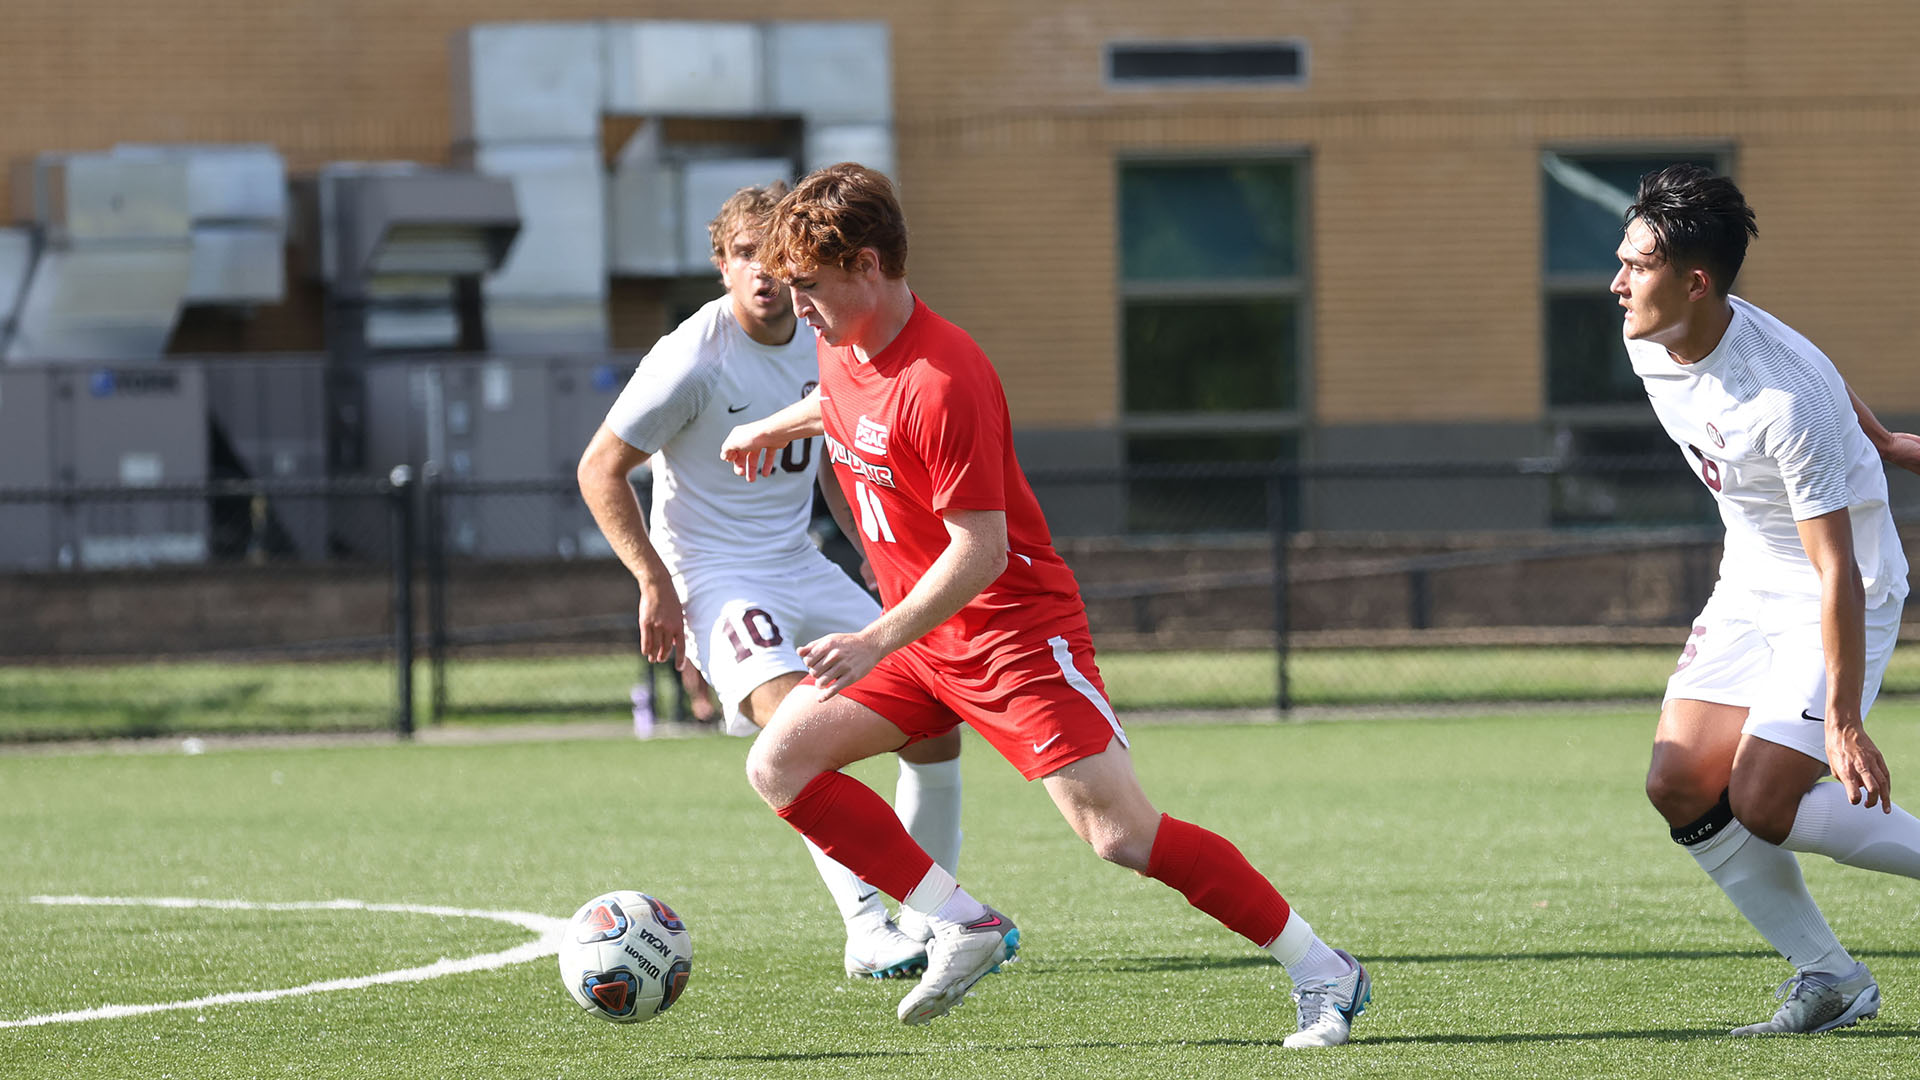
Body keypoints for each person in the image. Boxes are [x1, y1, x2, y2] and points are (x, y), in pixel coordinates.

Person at [721, 163, 1369, 1046]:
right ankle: (964, 922)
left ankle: (1324, 969)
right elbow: (844, 407)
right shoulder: (842, 342)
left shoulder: (944, 377)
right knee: (780, 765)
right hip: (923, 642)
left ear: (867, 266)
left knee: (1121, 835)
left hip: (1012, 639)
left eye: (809, 285)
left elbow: (982, 551)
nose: (798, 307)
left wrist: (873, 637)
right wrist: (772, 425)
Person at [577, 182, 966, 980]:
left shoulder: (826, 332)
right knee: (799, 732)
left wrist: (868, 549)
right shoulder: (692, 356)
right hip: (717, 579)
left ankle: (934, 919)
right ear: (721, 266)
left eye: (772, 254)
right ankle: (868, 930)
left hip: (799, 561)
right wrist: (654, 582)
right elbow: (599, 469)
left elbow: (836, 450)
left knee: (935, 718)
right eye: (742, 254)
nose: (760, 270)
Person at [1618, 164, 1920, 1035]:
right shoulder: (1651, 331)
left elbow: (1837, 572)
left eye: (1637, 265)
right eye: (1622, 259)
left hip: (1842, 588)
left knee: (1764, 803)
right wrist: (1880, 435)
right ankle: (1832, 979)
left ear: (1695, 282)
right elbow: (1807, 361)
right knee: (1679, 782)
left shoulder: (1783, 399)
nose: (1618, 283)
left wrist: (1844, 724)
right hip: (1750, 577)